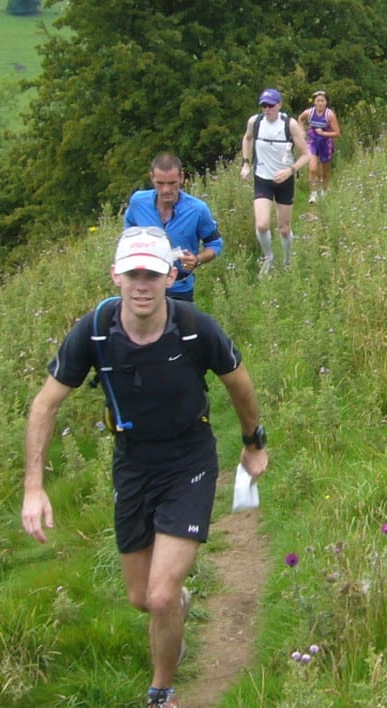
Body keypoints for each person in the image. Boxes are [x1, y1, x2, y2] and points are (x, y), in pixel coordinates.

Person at [21, 226, 270, 708]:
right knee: (142, 598)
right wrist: (34, 487)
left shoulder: (195, 327)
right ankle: (176, 607)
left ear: (170, 276)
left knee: (159, 596)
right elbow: (44, 405)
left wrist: (252, 443)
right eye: (133, 273)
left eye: (152, 274)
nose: (141, 284)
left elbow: (238, 383)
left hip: (189, 460)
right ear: (115, 274)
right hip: (132, 464)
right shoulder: (94, 332)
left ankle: (161, 692)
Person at [123, 153, 224, 302]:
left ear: (181, 177)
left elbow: (215, 243)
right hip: (143, 286)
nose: (166, 189)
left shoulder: (197, 210)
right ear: (151, 177)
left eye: (172, 183)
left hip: (179, 288)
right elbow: (128, 232)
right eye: (160, 183)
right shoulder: (138, 202)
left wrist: (197, 259)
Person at [239, 88, 311, 271]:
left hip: (284, 181)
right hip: (262, 178)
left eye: (270, 105)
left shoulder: (289, 125)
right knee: (262, 225)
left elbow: (306, 155)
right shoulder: (255, 122)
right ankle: (269, 258)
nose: (267, 109)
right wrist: (245, 163)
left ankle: (287, 261)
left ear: (279, 105)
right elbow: (247, 139)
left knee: (284, 228)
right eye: (264, 105)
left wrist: (290, 170)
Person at [297, 90, 341, 204]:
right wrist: (302, 131)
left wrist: (324, 133)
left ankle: (324, 192)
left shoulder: (329, 115)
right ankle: (313, 194)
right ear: (314, 102)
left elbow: (337, 133)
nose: (320, 103)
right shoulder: (309, 112)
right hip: (312, 142)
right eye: (318, 101)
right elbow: (300, 119)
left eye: (322, 101)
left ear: (326, 102)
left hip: (326, 143)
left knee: (324, 172)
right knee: (312, 169)